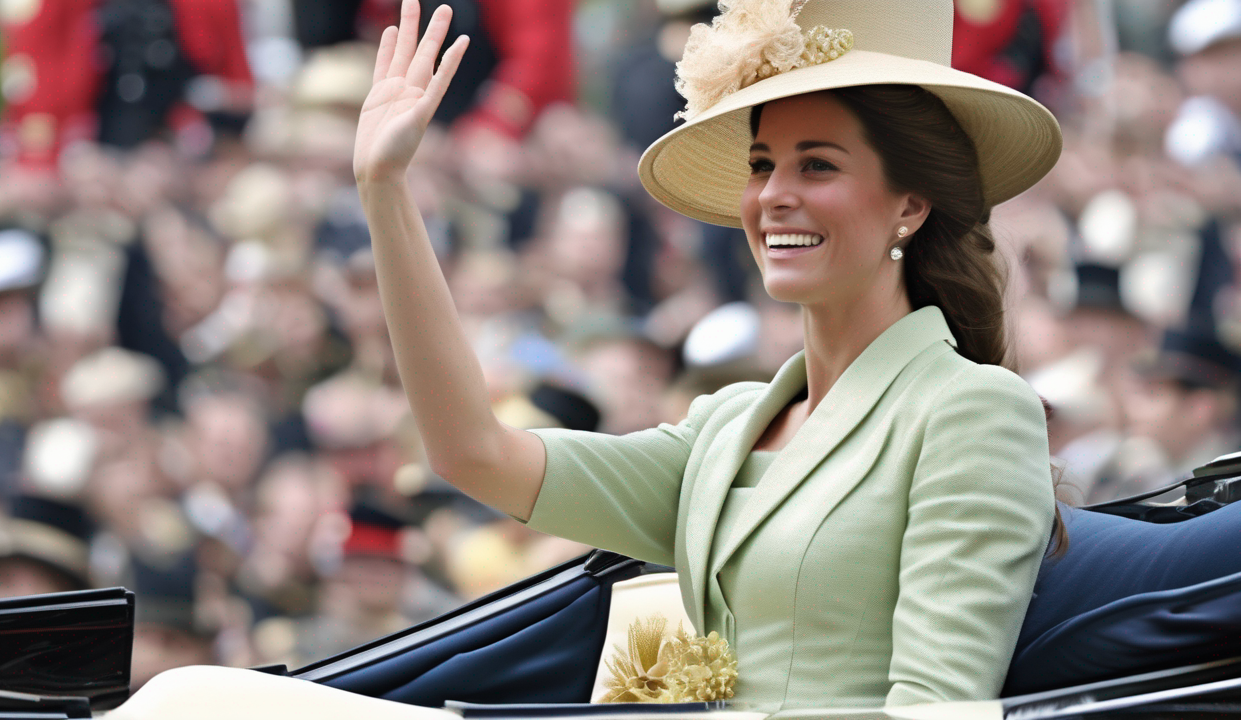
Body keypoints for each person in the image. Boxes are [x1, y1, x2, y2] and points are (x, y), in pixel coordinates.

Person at [117, 0, 1064, 715]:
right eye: (763, 164)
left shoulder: (971, 410)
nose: (774, 195)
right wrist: (387, 193)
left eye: (818, 165)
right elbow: (471, 452)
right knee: (189, 699)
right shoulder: (728, 425)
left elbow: (938, 707)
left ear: (909, 204)